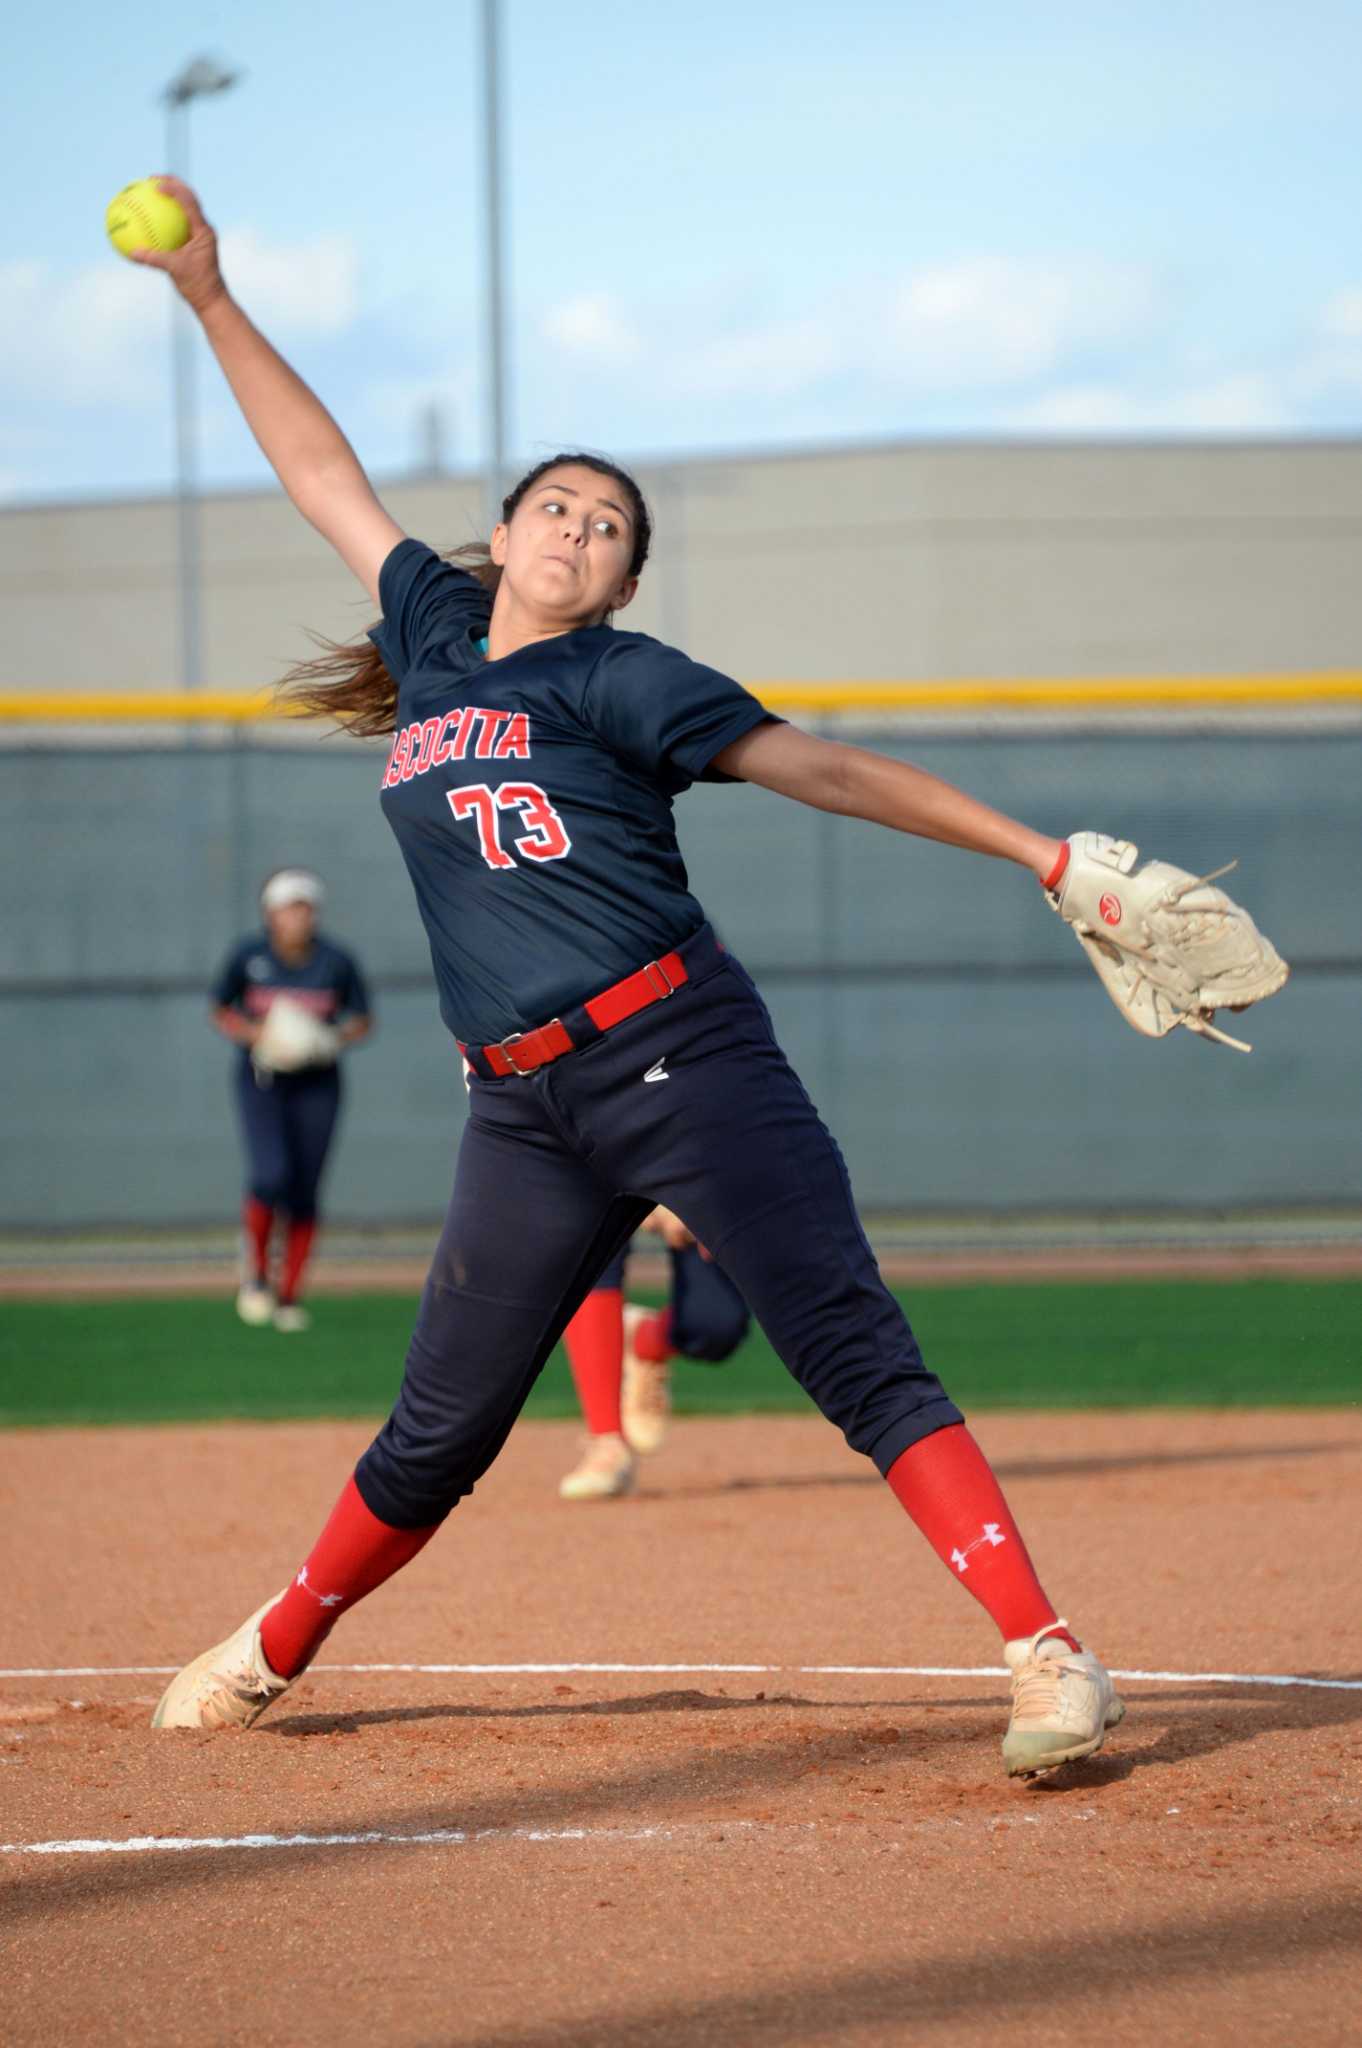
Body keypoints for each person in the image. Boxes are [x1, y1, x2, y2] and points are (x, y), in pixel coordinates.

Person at [141, 180, 1124, 1779]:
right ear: (505, 534)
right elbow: (321, 472)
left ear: (620, 584)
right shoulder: (434, 630)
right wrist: (208, 296)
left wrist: (1040, 854)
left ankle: (1050, 1656)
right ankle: (271, 1647)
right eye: (557, 506)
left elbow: (825, 770)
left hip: (680, 1056)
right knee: (439, 1430)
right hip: (520, 1111)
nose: (577, 529)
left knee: (847, 1350)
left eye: (608, 527)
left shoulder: (626, 677)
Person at [211, 867, 372, 1332]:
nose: (297, 917)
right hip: (263, 1078)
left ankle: (289, 1296)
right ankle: (257, 1274)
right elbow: (220, 1007)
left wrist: (329, 1039)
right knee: (270, 1175)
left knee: (304, 1188)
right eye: (288, 908)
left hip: (318, 1081)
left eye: (304, 907)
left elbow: (362, 1018)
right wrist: (254, 1033)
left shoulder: (335, 961)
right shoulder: (250, 956)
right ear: (271, 914)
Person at [559, 1205, 751, 1500]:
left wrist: (683, 1196)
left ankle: (643, 1342)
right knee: (591, 1228)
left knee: (716, 1325)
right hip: (602, 1184)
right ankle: (607, 1443)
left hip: (692, 1185)